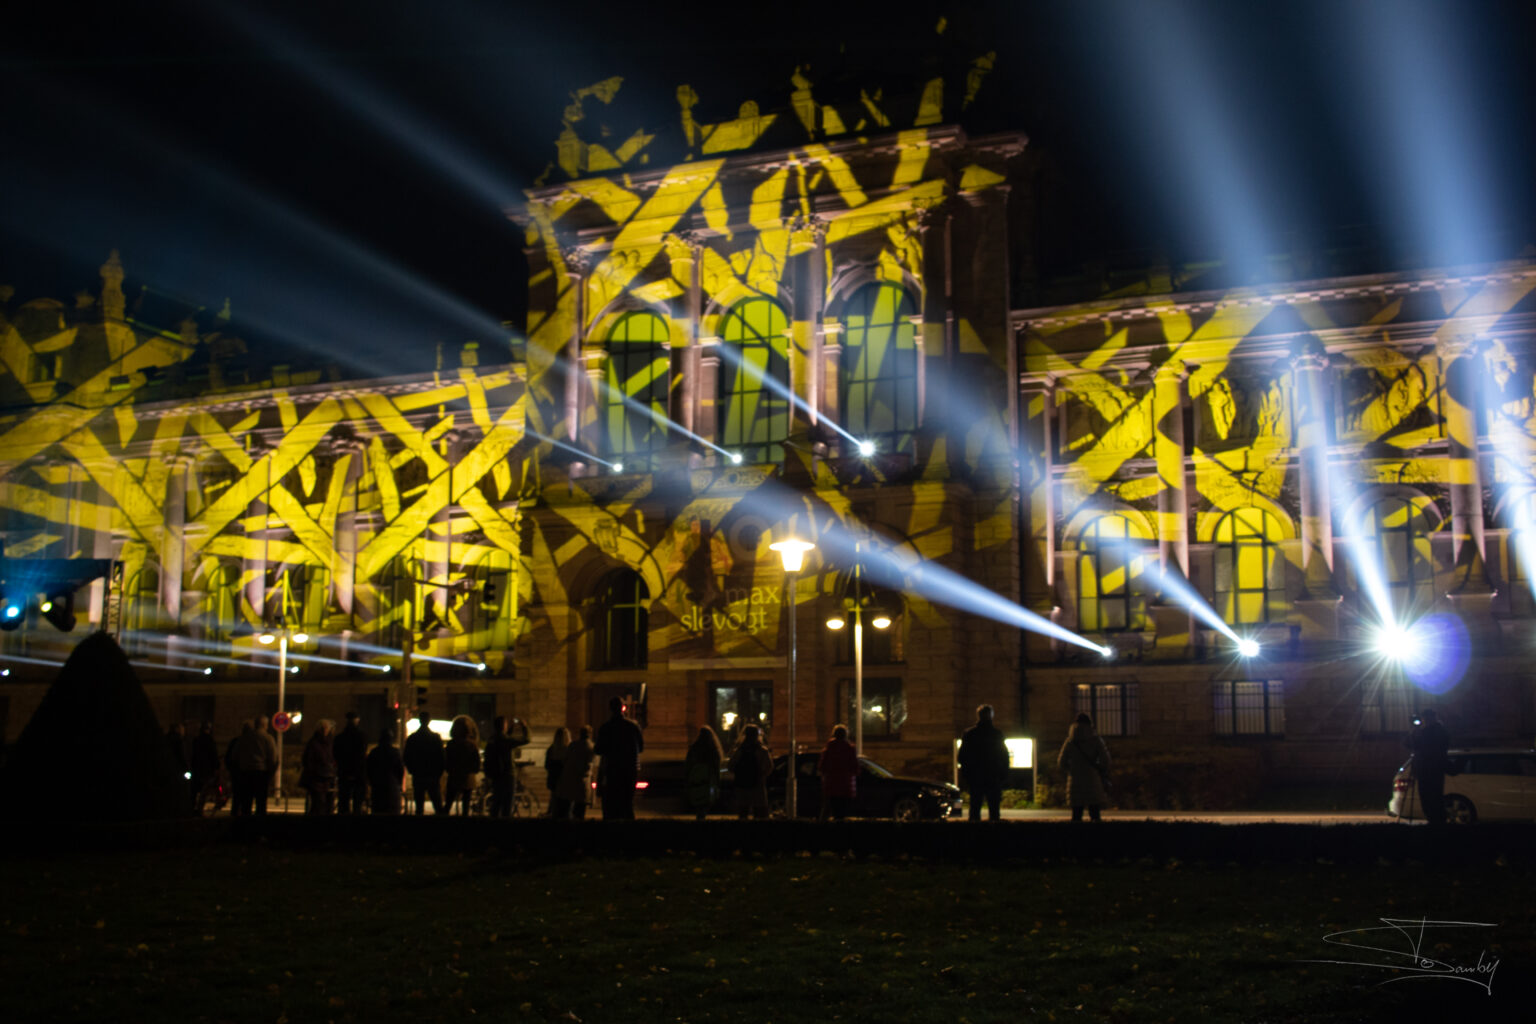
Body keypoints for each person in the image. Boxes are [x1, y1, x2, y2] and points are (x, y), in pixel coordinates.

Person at [593, 696, 644, 820]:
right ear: (623, 707)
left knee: (611, 805)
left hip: (612, 770)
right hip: (629, 770)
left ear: (610, 708)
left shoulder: (606, 728)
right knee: (627, 804)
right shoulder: (633, 726)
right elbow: (641, 748)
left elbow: (598, 749)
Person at [958, 704, 1011, 822]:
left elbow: (962, 756)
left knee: (975, 808)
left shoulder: (970, 734)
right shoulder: (996, 734)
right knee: (994, 810)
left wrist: (967, 773)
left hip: (976, 776)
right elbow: (1004, 756)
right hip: (993, 775)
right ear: (991, 716)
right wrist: (1003, 773)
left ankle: (975, 835)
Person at [1057, 713, 1111, 822]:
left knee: (1076, 814)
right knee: (1095, 814)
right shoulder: (1096, 740)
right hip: (1092, 779)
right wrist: (1099, 769)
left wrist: (1071, 770)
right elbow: (1106, 760)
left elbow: (1061, 762)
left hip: (1075, 780)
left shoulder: (1070, 741)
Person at [1406, 708, 1451, 826]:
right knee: (1429, 797)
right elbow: (1409, 744)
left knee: (1431, 797)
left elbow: (1416, 744)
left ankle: (1436, 820)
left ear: (1432, 718)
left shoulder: (1437, 731)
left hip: (1431, 769)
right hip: (1426, 769)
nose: (1425, 721)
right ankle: (1434, 819)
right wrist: (1415, 731)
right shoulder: (1429, 731)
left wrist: (1417, 731)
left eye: (1426, 718)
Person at [232, 716, 279, 815]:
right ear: (265, 725)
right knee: (261, 802)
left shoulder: (244, 738)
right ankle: (258, 825)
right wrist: (270, 773)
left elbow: (235, 756)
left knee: (246, 802)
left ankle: (244, 825)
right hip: (261, 773)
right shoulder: (268, 738)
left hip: (245, 773)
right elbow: (273, 758)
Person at [403, 712, 446, 815]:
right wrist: (438, 772)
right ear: (429, 721)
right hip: (432, 775)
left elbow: (406, 757)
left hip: (418, 774)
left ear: (420, 720)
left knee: (419, 806)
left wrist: (412, 770)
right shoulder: (435, 738)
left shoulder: (413, 738)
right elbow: (442, 757)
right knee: (437, 804)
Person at [729, 724, 774, 820]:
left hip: (742, 785)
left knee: (743, 813)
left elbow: (730, 766)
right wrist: (761, 775)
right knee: (760, 813)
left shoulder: (739, 751)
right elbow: (769, 767)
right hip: (758, 785)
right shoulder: (762, 751)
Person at [817, 724, 859, 821]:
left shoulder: (828, 749)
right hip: (846, 786)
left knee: (829, 809)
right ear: (845, 735)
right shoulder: (850, 749)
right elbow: (855, 768)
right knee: (842, 813)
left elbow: (822, 767)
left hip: (831, 786)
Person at [684, 726, 724, 821]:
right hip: (709, 780)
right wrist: (718, 782)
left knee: (698, 804)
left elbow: (688, 765)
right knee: (706, 804)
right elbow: (716, 766)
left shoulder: (694, 748)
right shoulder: (712, 749)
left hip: (696, 779)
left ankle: (700, 818)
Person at [554, 725, 595, 819]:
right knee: (579, 811)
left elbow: (566, 760)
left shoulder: (573, 745)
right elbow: (589, 765)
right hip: (582, 782)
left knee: (568, 810)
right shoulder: (591, 747)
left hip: (570, 780)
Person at [444, 716, 482, 816]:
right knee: (466, 806)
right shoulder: (471, 745)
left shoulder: (451, 744)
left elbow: (446, 761)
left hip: (454, 777)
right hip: (467, 778)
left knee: (448, 804)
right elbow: (476, 763)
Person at [332, 711, 368, 815]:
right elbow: (362, 753)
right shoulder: (362, 736)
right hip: (358, 771)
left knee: (344, 799)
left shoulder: (340, 738)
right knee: (358, 800)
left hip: (344, 771)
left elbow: (336, 754)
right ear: (357, 720)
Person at [301, 720, 337, 815]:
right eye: (323, 728)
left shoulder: (330, 743)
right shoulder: (314, 743)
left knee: (328, 804)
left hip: (328, 778)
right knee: (318, 804)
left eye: (326, 728)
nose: (325, 730)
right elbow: (308, 761)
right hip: (317, 779)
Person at [484, 716, 517, 818]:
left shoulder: (492, 739)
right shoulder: (503, 739)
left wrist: (511, 728)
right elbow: (526, 739)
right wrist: (525, 727)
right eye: (506, 724)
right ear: (503, 726)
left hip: (496, 774)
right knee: (507, 804)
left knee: (496, 802)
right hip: (506, 774)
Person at [366, 728, 405, 815]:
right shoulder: (395, 752)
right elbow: (400, 770)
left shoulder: (374, 752)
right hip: (392, 786)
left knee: (378, 812)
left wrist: (371, 782)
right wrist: (399, 784)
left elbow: (369, 769)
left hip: (377, 786)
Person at [191, 722, 222, 815]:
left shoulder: (196, 740)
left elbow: (193, 755)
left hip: (197, 768)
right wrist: (216, 766)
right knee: (205, 790)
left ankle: (193, 807)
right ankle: (200, 809)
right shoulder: (209, 740)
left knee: (196, 790)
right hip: (207, 769)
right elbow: (213, 755)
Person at [544, 727, 570, 817]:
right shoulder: (569, 749)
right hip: (564, 779)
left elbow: (547, 765)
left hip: (554, 779)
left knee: (554, 799)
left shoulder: (551, 749)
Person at [166, 722, 191, 812]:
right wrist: (186, 768)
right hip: (177, 770)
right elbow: (181, 755)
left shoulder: (166, 739)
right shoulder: (178, 741)